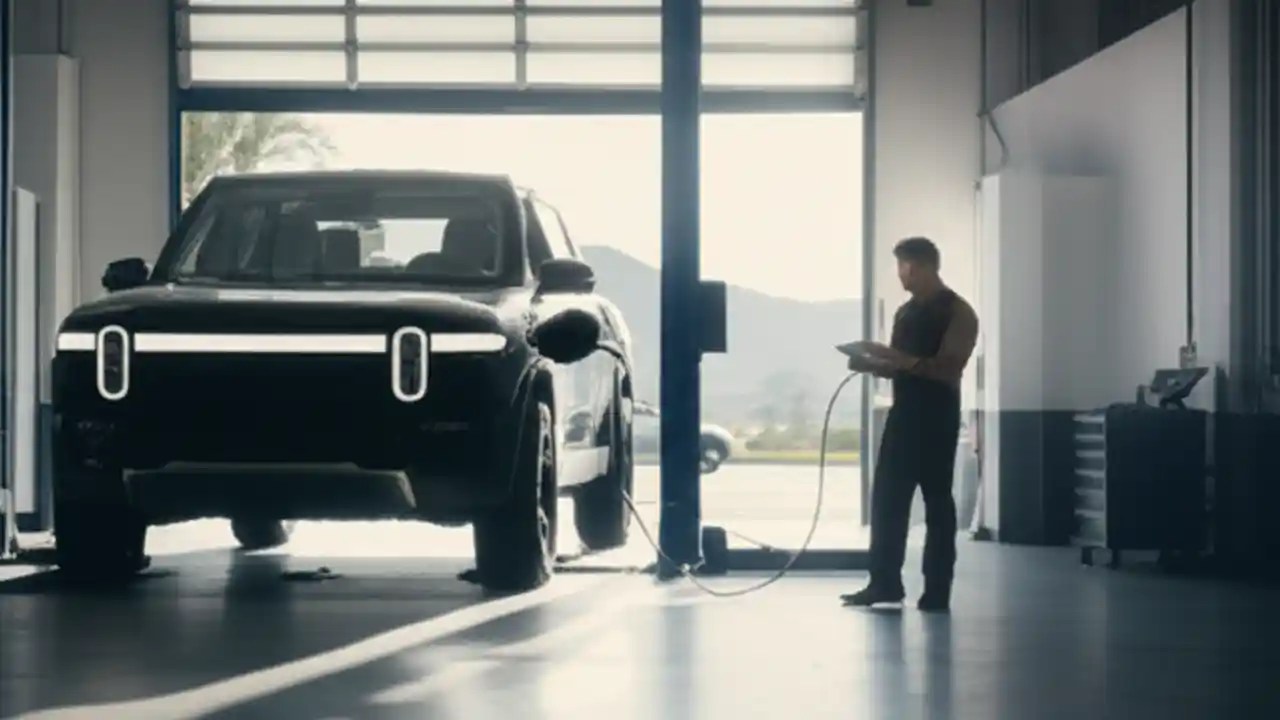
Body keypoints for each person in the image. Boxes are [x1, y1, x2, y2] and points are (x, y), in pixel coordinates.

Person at [841, 237, 979, 612]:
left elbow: (948, 368)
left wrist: (892, 357)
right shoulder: (905, 313)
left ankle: (937, 591)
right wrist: (872, 364)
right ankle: (884, 583)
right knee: (887, 500)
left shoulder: (959, 312)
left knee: (938, 504)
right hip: (903, 415)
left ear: (918, 267)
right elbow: (901, 367)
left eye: (903, 267)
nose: (901, 275)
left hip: (937, 418)